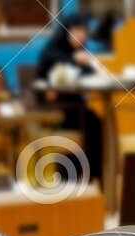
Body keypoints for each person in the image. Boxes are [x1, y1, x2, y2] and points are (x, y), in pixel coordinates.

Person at [35, 16, 104, 187]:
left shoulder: (81, 55)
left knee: (97, 123)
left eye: (85, 31)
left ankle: (92, 179)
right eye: (77, 31)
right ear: (66, 32)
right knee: (92, 125)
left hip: (76, 109)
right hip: (56, 112)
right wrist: (75, 60)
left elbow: (90, 75)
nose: (82, 36)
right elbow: (52, 64)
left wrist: (93, 70)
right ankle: (81, 178)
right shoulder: (53, 52)